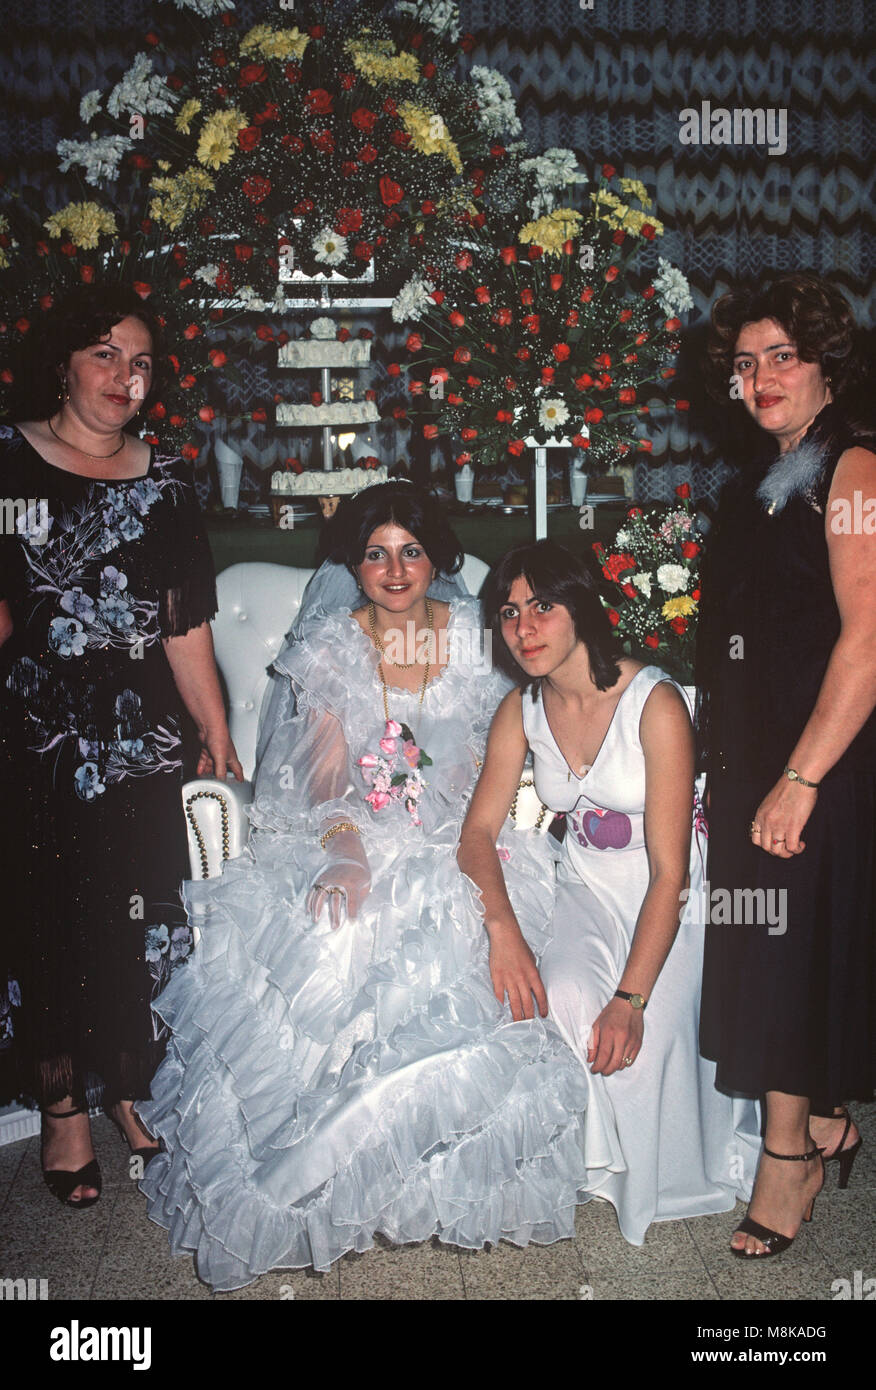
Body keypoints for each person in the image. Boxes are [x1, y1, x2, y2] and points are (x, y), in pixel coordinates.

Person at [138, 482, 594, 1291]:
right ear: (353, 563)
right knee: (332, 928)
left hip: (464, 839)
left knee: (453, 928)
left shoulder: (479, 643)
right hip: (350, 836)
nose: (394, 568)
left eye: (411, 551)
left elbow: (502, 763)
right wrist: (347, 851)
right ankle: (311, 1177)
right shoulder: (328, 649)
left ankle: (427, 1171)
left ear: (436, 560)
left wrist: (456, 837)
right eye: (376, 552)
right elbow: (313, 785)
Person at [0, 285, 241, 1208]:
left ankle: (135, 1088)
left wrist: (215, 731)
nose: (124, 378)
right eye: (105, 354)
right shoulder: (8, 463)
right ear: (63, 361)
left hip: (143, 745)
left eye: (140, 363)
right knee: (50, 921)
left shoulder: (167, 477)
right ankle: (65, 1115)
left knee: (140, 919)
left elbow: (185, 626)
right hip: (35, 741)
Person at [458, 539, 759, 1245]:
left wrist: (629, 1000)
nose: (524, 628)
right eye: (508, 613)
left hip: (672, 899)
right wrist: (505, 930)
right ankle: (591, 1165)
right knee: (557, 1000)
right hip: (586, 886)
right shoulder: (521, 710)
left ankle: (669, 1174)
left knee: (634, 1041)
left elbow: (671, 873)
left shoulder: (653, 702)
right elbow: (476, 834)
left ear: (582, 609)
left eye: (542, 606)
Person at [697, 270, 876, 1257]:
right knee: (773, 950)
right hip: (763, 753)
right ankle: (820, 1128)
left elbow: (869, 637)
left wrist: (802, 776)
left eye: (782, 357)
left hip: (824, 755)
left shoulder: (855, 469)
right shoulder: (770, 476)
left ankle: (787, 1164)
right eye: (744, 362)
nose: (759, 376)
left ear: (824, 366)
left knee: (784, 955)